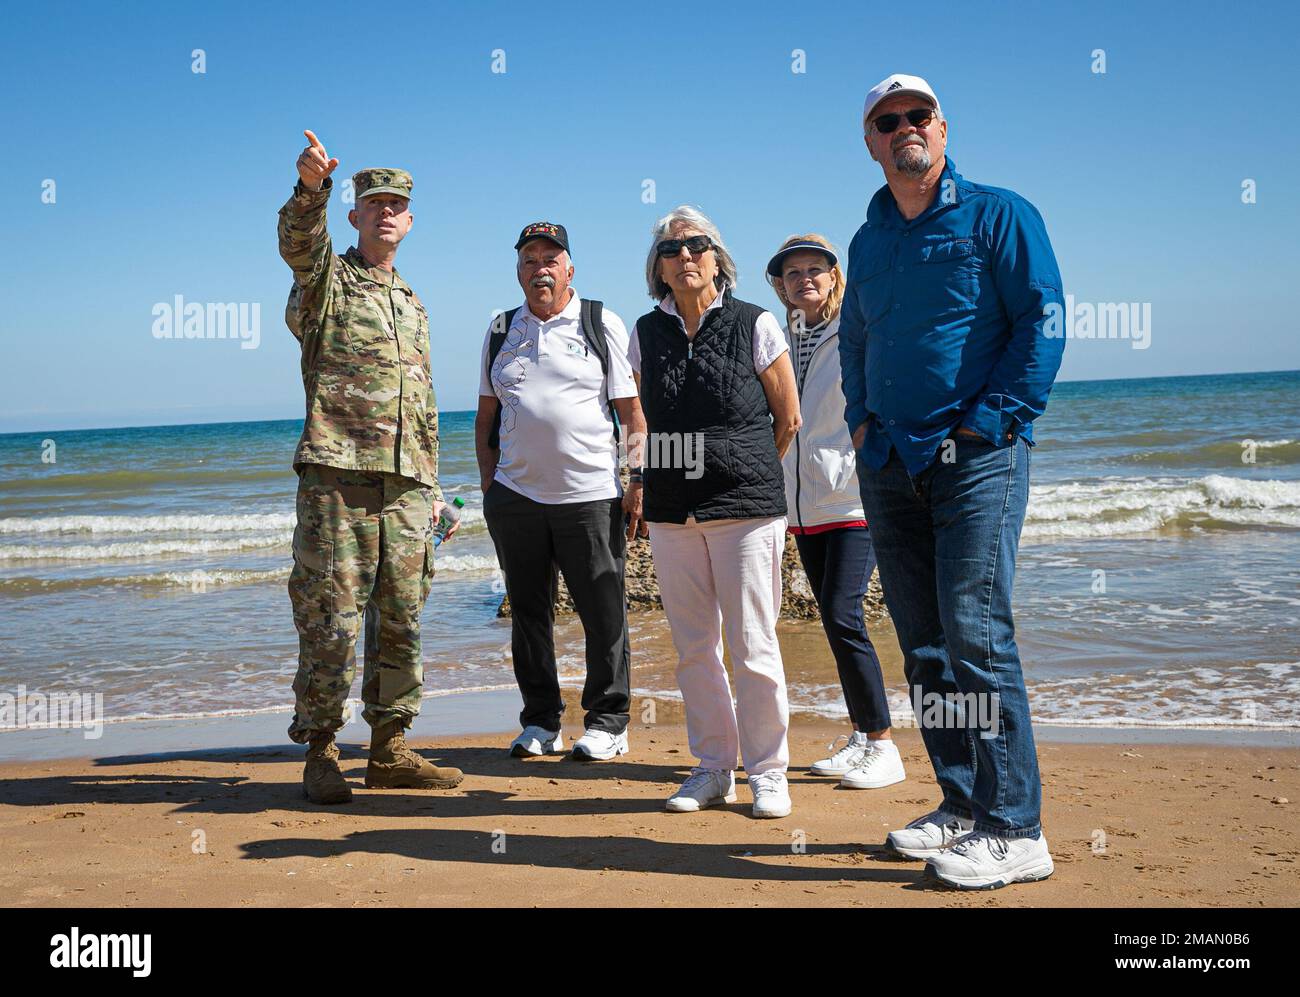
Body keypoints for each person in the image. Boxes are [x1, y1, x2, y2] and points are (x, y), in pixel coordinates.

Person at [839, 75, 1065, 888]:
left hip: (978, 457)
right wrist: (861, 420)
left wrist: (991, 419)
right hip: (890, 461)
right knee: (926, 644)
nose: (905, 128)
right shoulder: (867, 242)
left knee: (976, 630)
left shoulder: (1000, 213)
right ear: (869, 141)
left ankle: (1018, 828)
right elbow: (855, 336)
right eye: (886, 120)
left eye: (918, 116)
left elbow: (1044, 318)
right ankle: (964, 805)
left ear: (942, 127)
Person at [278, 131, 463, 804]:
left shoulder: (412, 302)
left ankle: (389, 747)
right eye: (373, 203)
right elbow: (301, 243)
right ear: (354, 215)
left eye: (397, 205)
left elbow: (423, 405)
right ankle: (322, 750)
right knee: (331, 617)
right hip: (338, 478)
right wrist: (310, 191)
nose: (386, 212)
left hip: (409, 487)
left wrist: (436, 488)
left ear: (410, 221)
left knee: (403, 617)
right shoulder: (327, 279)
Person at [630, 206, 801, 819]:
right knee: (694, 648)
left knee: (753, 643)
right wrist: (642, 480)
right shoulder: (645, 333)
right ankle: (712, 768)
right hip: (673, 513)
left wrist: (740, 469)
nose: (686, 256)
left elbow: (788, 420)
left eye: (697, 245)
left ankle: (769, 771)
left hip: (747, 509)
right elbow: (639, 419)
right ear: (660, 269)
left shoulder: (756, 323)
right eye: (672, 250)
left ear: (717, 256)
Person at [477, 222, 647, 761]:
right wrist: (490, 488)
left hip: (591, 494)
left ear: (569, 268)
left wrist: (638, 480)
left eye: (551, 259)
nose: (540, 268)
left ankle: (608, 722)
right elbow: (486, 419)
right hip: (517, 498)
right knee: (529, 614)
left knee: (603, 611)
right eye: (529, 259)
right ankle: (540, 722)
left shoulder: (600, 322)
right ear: (518, 270)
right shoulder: (502, 328)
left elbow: (633, 413)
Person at [764, 234, 904, 790]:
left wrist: (870, 461)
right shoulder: (783, 334)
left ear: (833, 274)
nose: (804, 280)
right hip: (802, 504)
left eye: (814, 270)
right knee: (832, 619)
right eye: (792, 272)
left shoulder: (857, 326)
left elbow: (882, 395)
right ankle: (862, 734)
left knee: (845, 616)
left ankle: (884, 745)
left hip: (850, 498)